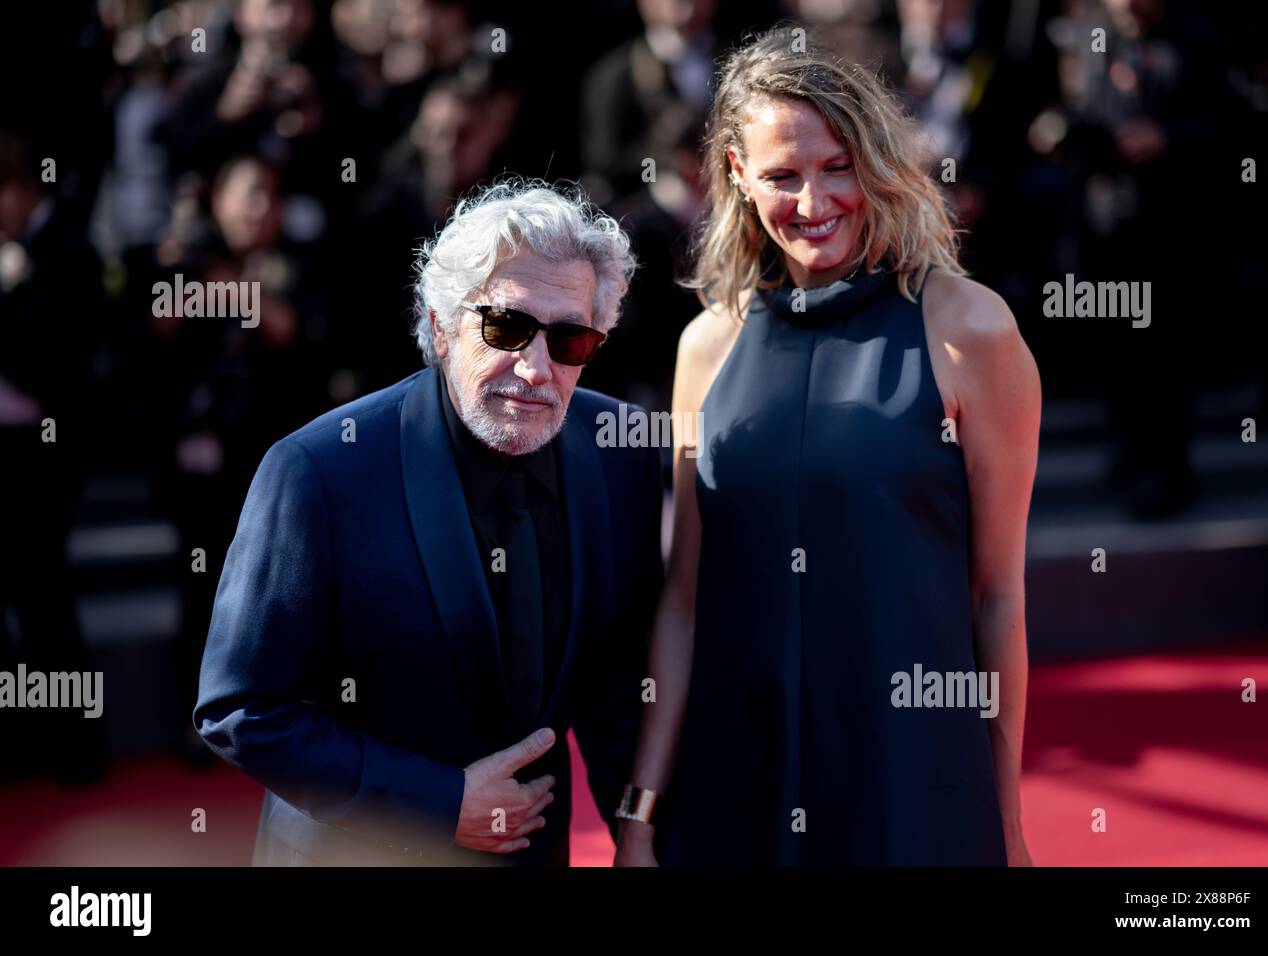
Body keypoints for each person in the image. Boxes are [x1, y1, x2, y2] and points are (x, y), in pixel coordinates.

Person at [614, 28, 1040, 866]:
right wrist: (641, 811)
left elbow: (997, 597)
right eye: (782, 175)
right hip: (736, 781)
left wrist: (1005, 821)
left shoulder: (969, 328)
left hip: (912, 779)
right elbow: (684, 600)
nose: (814, 202)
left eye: (837, 166)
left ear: (877, 158)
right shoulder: (706, 346)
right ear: (734, 172)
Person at [194, 179, 663, 866]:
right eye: (506, 327)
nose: (535, 369)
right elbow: (243, 708)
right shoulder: (321, 471)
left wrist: (640, 828)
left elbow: (620, 684)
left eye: (569, 339)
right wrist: (441, 801)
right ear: (442, 327)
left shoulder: (619, 450)